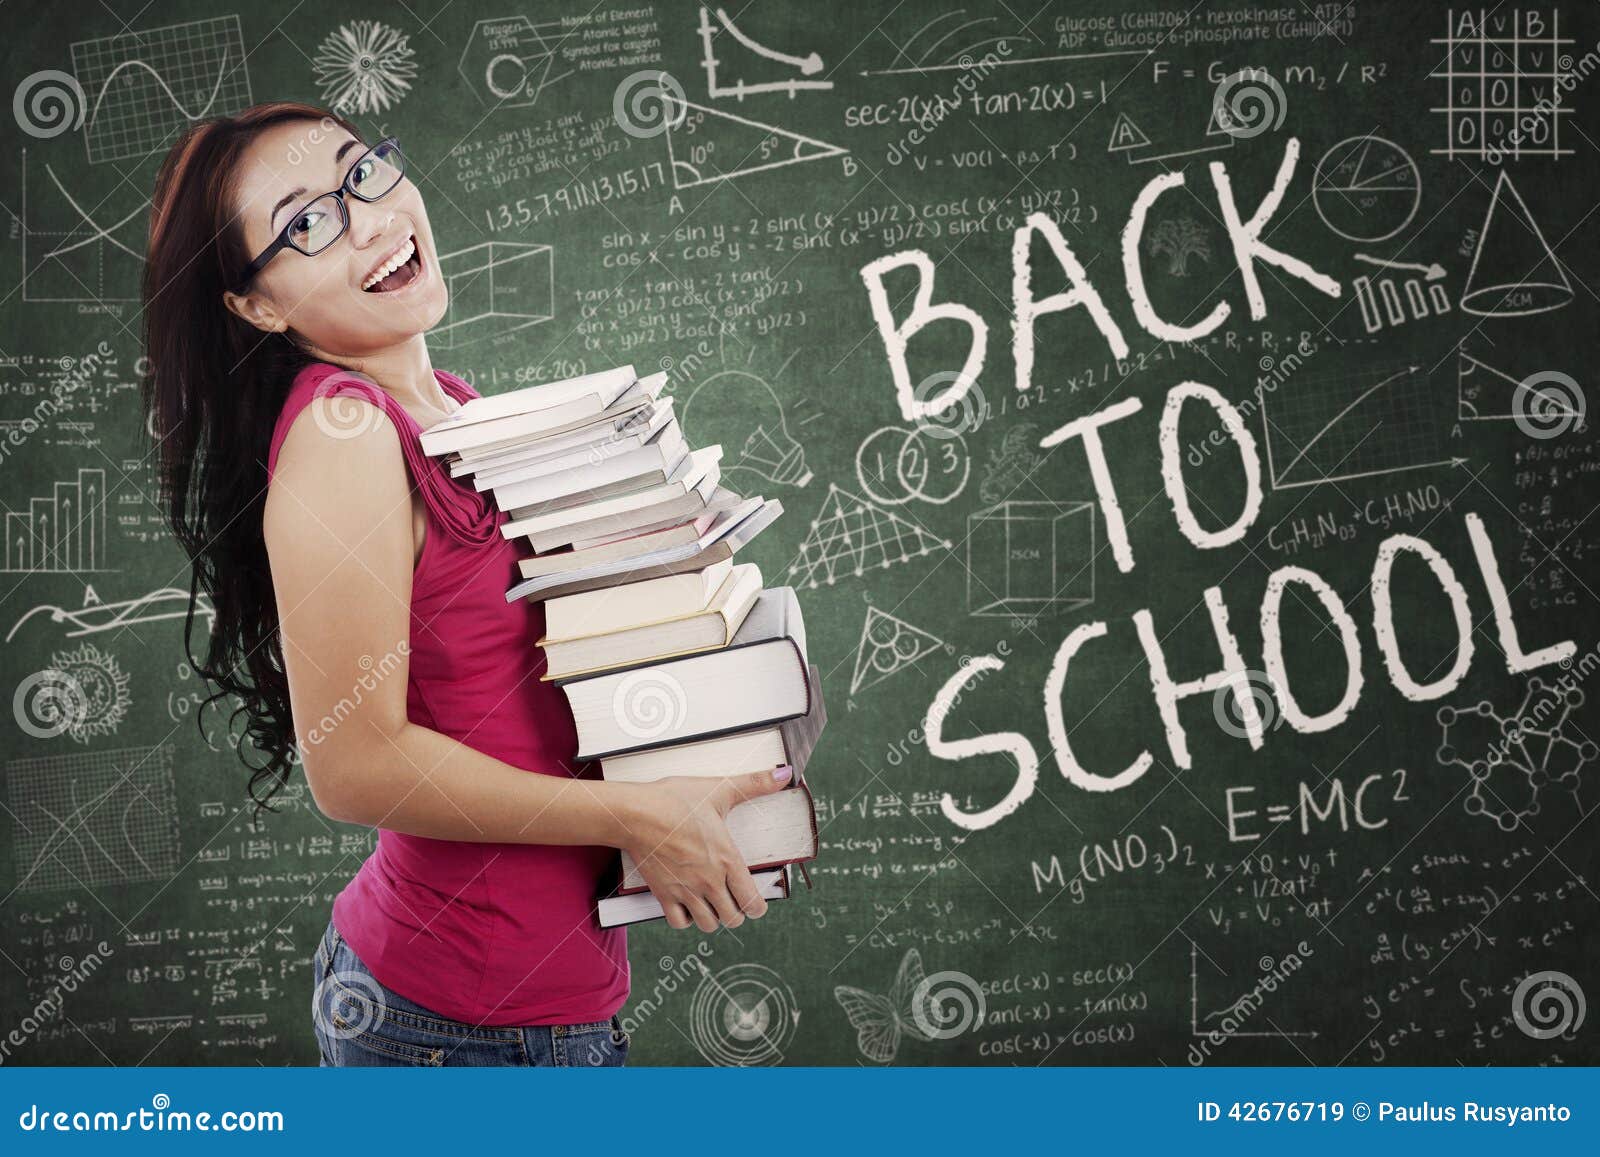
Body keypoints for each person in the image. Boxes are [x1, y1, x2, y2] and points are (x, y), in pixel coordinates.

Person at [139, 102, 789, 1066]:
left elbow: (510, 674)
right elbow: (353, 766)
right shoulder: (345, 437)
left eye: (363, 174)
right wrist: (638, 817)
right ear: (258, 304)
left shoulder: (460, 413)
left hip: (545, 1012)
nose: (368, 218)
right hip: (450, 1031)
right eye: (307, 224)